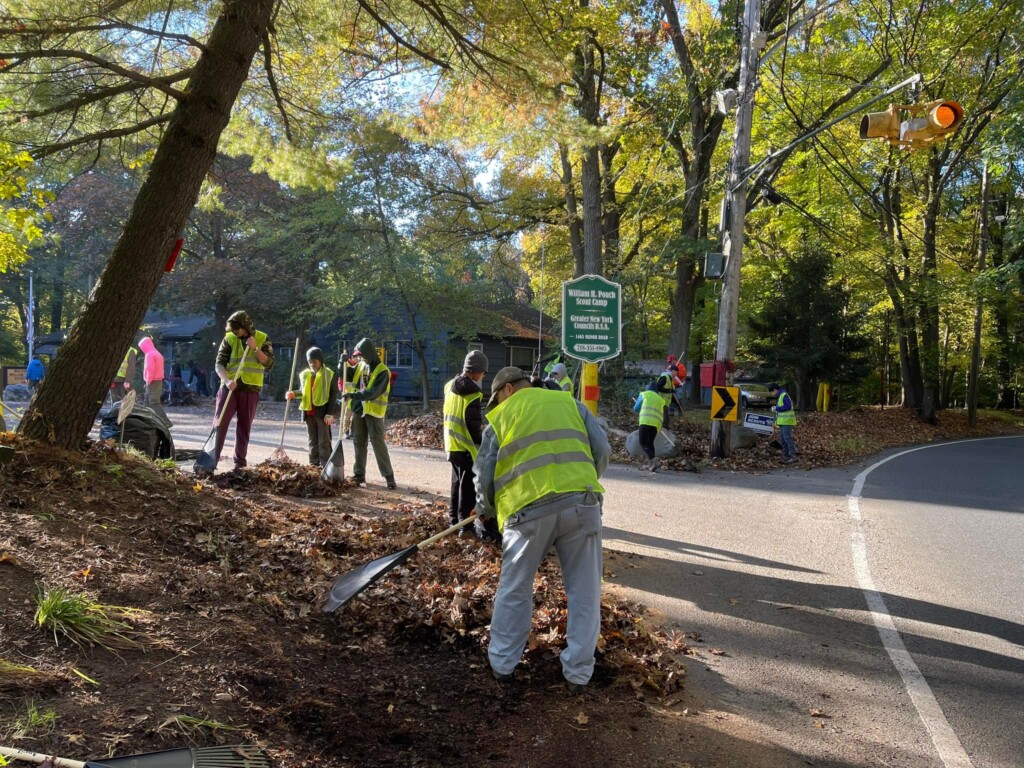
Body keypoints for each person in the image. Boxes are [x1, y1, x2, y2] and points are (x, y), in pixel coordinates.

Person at [474, 366, 611, 694]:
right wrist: (580, 482)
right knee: (585, 590)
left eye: (496, 398)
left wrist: (486, 511)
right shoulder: (570, 403)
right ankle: (578, 673)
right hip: (582, 505)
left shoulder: (503, 415)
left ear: (507, 390)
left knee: (515, 586)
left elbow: (485, 474)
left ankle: (503, 665)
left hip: (527, 512)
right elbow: (603, 450)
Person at [443, 350, 500, 542]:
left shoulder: (448, 386)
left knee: (456, 484)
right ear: (475, 372)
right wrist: (482, 441)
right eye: (483, 373)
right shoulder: (474, 393)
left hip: (451, 444)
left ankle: (453, 522)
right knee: (467, 488)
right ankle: (465, 527)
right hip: (467, 447)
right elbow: (472, 424)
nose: (483, 376)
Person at [213, 310, 275, 470]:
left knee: (244, 427)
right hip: (229, 389)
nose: (235, 332)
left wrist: (256, 349)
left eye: (237, 329)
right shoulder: (229, 339)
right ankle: (211, 459)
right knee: (219, 424)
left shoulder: (262, 338)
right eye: (233, 330)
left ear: (245, 326)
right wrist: (226, 380)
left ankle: (239, 463)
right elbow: (219, 364)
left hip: (250, 389)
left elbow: (269, 364)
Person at [341, 338, 396, 489]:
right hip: (359, 410)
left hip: (374, 413)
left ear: (370, 353)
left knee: (378, 444)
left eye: (363, 355)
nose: (361, 358)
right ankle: (359, 475)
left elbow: (373, 393)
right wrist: (342, 363)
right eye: (359, 356)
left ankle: (389, 477)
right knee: (358, 442)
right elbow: (346, 375)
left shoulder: (383, 371)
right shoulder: (361, 366)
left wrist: (353, 396)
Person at [286, 347, 340, 466]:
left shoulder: (329, 374)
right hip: (308, 412)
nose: (312, 364)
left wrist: (330, 413)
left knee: (324, 441)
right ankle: (313, 465)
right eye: (310, 362)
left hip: (323, 413)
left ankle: (326, 466)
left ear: (321, 361)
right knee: (312, 441)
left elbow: (333, 395)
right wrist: (294, 394)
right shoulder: (305, 375)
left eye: (315, 362)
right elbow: (303, 392)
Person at [138, 337, 172, 428]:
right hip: (157, 380)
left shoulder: (150, 354)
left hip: (152, 381)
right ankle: (146, 420)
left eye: (142, 347)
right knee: (147, 402)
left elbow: (150, 369)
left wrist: (148, 381)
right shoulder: (157, 353)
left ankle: (165, 422)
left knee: (153, 402)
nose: (142, 349)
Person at [633, 380, 667, 472]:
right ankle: (651, 464)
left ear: (648, 388)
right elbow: (662, 414)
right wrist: (659, 427)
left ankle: (654, 461)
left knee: (643, 442)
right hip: (656, 424)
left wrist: (640, 408)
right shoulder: (661, 400)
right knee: (650, 443)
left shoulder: (644, 394)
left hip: (645, 422)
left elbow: (636, 408)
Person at [339, 349, 367, 439]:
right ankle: (345, 431)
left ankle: (352, 431)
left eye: (360, 357)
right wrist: (341, 390)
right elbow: (340, 378)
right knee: (347, 414)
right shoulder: (346, 365)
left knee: (354, 415)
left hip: (355, 394)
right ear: (352, 357)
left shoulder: (360, 366)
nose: (359, 359)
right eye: (357, 357)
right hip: (347, 394)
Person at [769, 382, 798, 464]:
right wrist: (775, 421)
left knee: (787, 439)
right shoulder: (780, 396)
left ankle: (793, 456)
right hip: (782, 422)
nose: (771, 394)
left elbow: (788, 406)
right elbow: (778, 412)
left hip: (787, 421)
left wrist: (777, 408)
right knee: (783, 440)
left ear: (775, 390)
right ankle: (786, 457)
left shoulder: (783, 395)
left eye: (772, 392)